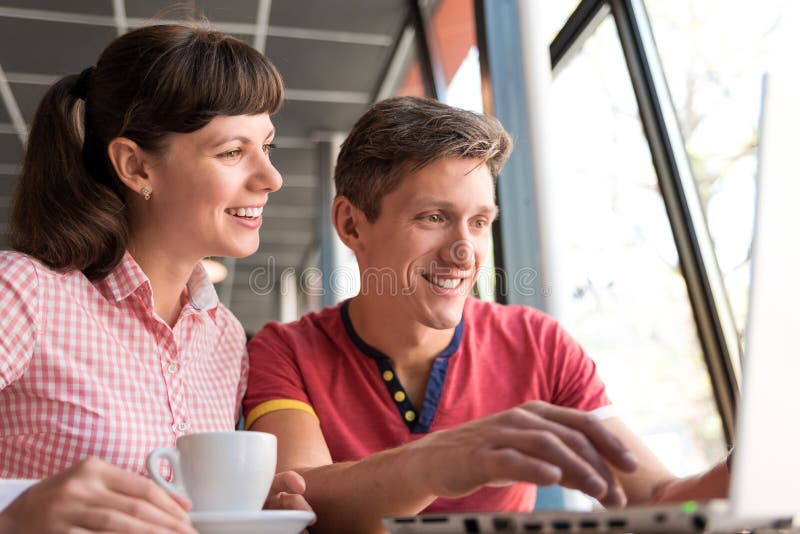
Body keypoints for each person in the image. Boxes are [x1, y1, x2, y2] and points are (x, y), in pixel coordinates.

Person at [244, 96, 730, 532]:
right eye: (433, 217)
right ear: (352, 224)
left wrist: (747, 464)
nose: (464, 252)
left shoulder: (539, 345)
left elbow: (655, 503)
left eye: (479, 223)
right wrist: (441, 462)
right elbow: (304, 504)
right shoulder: (284, 352)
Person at [0, 23, 311, 533]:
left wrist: (244, 515)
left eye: (267, 147)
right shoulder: (25, 293)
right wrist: (15, 514)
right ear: (136, 166)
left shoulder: (225, 337)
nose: (271, 178)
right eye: (232, 152)